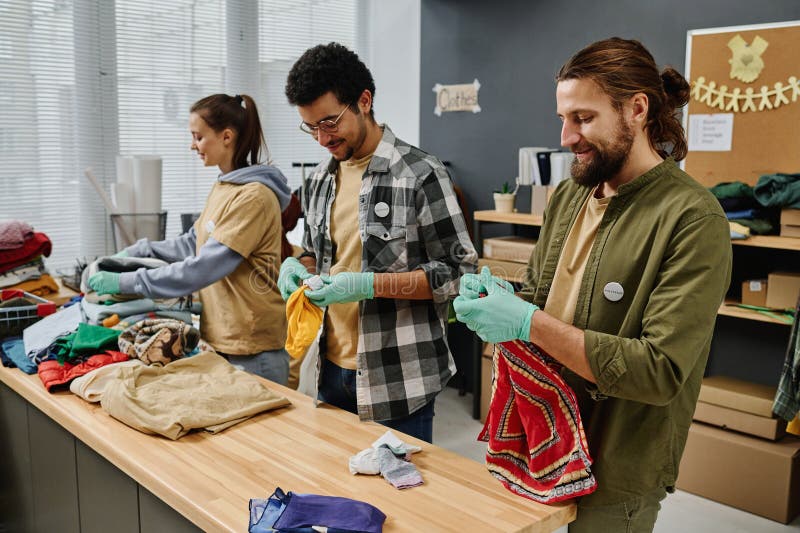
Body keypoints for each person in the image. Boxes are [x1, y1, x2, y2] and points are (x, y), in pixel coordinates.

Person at [454, 38, 732, 532]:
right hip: (543, 441)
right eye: (563, 118)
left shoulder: (692, 217)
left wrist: (527, 321)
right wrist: (504, 304)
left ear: (637, 109)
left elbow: (660, 371)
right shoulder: (569, 195)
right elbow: (541, 297)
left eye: (583, 118)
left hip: (617, 463)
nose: (566, 137)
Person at [279, 43, 477, 443]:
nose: (321, 138)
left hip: (399, 379)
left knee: (397, 504)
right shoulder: (318, 179)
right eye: (311, 126)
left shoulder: (420, 173)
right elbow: (316, 254)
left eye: (330, 122)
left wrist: (369, 285)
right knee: (335, 497)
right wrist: (299, 265)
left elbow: (460, 274)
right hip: (330, 371)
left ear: (364, 101)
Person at [88, 94, 292, 385]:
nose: (192, 145)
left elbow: (202, 269)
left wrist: (127, 282)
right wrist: (139, 250)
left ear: (226, 136)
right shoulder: (225, 185)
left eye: (198, 137)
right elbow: (191, 243)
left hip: (253, 349)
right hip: (223, 341)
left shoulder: (253, 197)